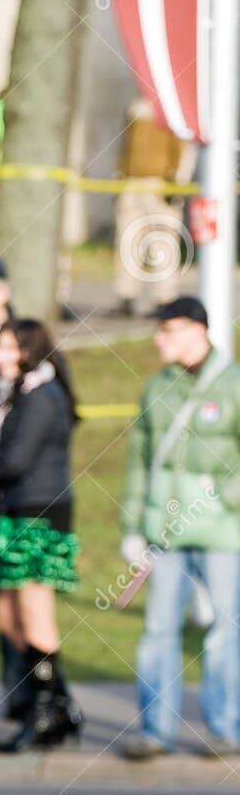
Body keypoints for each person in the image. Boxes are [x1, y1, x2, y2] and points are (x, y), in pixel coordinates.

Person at [118, 296, 240, 760]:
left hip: (222, 532)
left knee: (226, 629)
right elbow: (139, 462)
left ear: (197, 331)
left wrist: (224, 497)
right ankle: (155, 730)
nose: (158, 339)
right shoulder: (157, 388)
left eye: (168, 330)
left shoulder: (231, 385)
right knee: (157, 631)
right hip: (165, 528)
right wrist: (133, 525)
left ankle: (226, 727)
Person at [0, 319, 82, 751]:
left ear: (32, 351)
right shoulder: (14, 394)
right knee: (9, 619)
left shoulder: (42, 396)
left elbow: (15, 460)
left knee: (34, 615)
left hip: (40, 514)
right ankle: (61, 704)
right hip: (12, 512)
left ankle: (45, 714)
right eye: (1, 348)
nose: (1, 357)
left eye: (12, 349)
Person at [113, 96, 195, 318]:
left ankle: (164, 299)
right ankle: (126, 295)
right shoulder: (135, 107)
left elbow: (185, 147)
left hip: (161, 184)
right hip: (132, 182)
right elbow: (125, 145)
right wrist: (119, 177)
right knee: (128, 241)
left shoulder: (173, 106)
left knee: (163, 243)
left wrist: (177, 182)